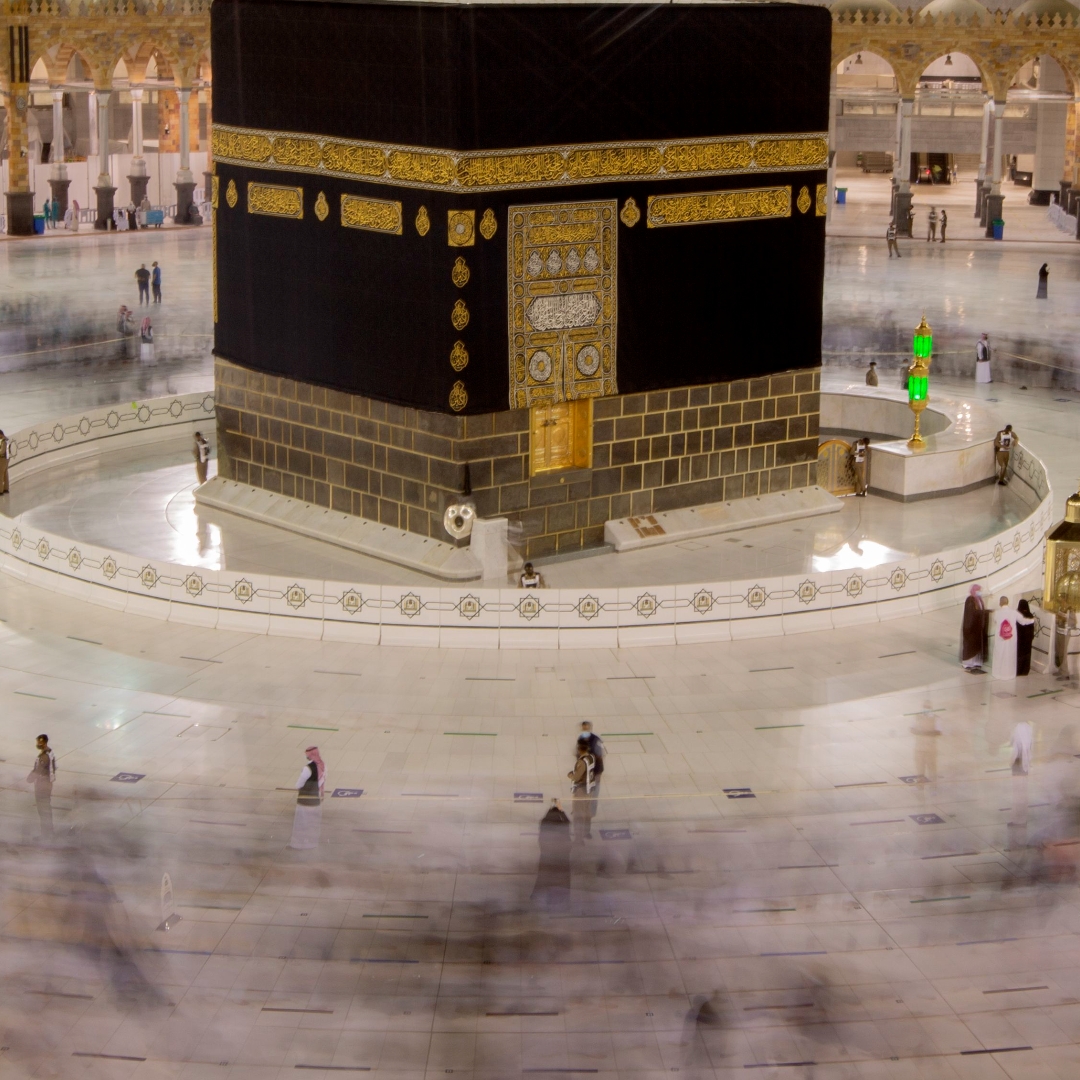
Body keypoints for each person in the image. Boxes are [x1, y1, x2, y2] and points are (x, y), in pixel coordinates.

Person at [531, 798, 571, 910]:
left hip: (547, 857)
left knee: (546, 878)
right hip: (561, 859)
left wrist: (551, 808)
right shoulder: (562, 827)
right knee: (559, 879)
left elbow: (541, 840)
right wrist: (561, 810)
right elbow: (567, 823)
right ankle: (556, 900)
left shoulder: (545, 824)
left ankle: (541, 897)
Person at [288, 746, 325, 849]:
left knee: (301, 823)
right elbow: (321, 782)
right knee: (312, 823)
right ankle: (312, 844)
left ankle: (298, 845)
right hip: (315, 799)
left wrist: (299, 787)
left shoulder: (307, 768)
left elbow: (299, 784)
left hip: (305, 800)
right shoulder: (322, 766)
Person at [992, 595, 1033, 681]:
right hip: (1011, 639)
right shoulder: (1014, 612)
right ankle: (1009, 674)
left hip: (1000, 639)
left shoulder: (997, 613)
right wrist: (1032, 620)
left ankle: (998, 673)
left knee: (999, 655)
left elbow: (995, 620)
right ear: (1007, 602)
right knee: (1009, 656)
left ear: (1000, 603)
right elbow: (1023, 621)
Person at [26, 733, 57, 837]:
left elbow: (39, 770)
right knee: (46, 809)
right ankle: (48, 833)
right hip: (47, 784)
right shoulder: (50, 752)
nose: (37, 744)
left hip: (42, 785)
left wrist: (30, 778)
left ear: (43, 742)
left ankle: (47, 835)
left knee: (43, 810)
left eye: (39, 742)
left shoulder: (44, 756)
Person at [567, 742, 596, 842]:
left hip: (581, 791)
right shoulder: (591, 758)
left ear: (580, 750)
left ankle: (579, 839)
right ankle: (586, 832)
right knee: (587, 812)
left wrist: (570, 775)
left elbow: (576, 777)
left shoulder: (582, 762)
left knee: (579, 814)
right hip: (589, 790)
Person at [961, 583, 987, 672]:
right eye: (978, 590)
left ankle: (976, 663)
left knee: (977, 645)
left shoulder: (979, 600)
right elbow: (971, 613)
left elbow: (980, 611)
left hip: (978, 627)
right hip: (971, 627)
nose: (980, 592)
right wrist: (982, 613)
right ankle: (967, 663)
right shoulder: (970, 599)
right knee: (970, 645)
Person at [579, 721, 605, 790]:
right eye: (584, 729)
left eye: (586, 729)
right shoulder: (580, 739)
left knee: (594, 789)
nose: (585, 731)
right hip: (585, 769)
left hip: (595, 768)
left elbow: (600, 756)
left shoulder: (595, 740)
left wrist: (598, 771)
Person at [1016, 598, 1036, 676]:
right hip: (1028, 639)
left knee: (1019, 654)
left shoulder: (1018, 615)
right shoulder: (1030, 615)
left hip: (1019, 639)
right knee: (1027, 655)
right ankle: (1025, 671)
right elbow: (1032, 628)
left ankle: (1018, 670)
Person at [0, 428, 9, 495]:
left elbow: (2, 451)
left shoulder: (3, 441)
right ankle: (6, 488)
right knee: (5, 473)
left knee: (1, 474)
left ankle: (0, 490)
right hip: (6, 458)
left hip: (2, 459)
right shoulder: (6, 440)